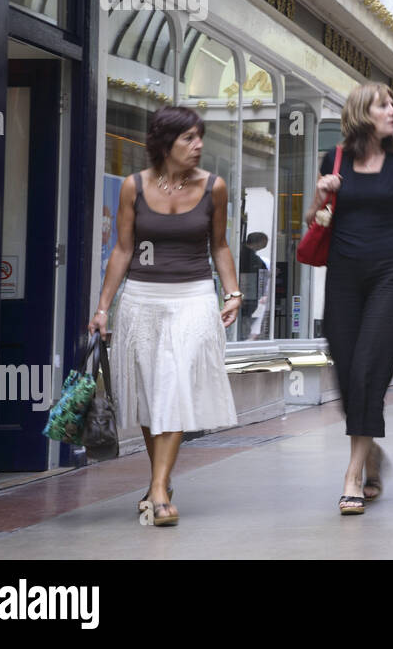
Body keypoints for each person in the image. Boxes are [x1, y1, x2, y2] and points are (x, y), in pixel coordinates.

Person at [89, 105, 240, 527]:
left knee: (174, 386)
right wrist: (103, 308)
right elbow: (122, 249)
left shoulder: (214, 187)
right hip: (141, 298)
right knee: (151, 394)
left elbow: (220, 245)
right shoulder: (134, 187)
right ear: (164, 144)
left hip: (193, 297)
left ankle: (157, 490)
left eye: (200, 137)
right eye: (189, 138)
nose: (199, 146)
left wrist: (232, 292)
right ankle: (162, 481)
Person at [306, 82, 393, 515]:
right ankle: (372, 452)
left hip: (388, 276)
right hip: (343, 277)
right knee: (346, 375)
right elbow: (315, 219)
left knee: (368, 371)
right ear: (363, 113)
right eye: (384, 105)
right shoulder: (334, 159)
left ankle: (352, 475)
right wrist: (322, 194)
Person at [238, 231, 270, 340]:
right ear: (259, 242)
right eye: (265, 242)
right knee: (244, 320)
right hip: (247, 293)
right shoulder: (249, 256)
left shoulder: (243, 252)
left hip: (247, 292)